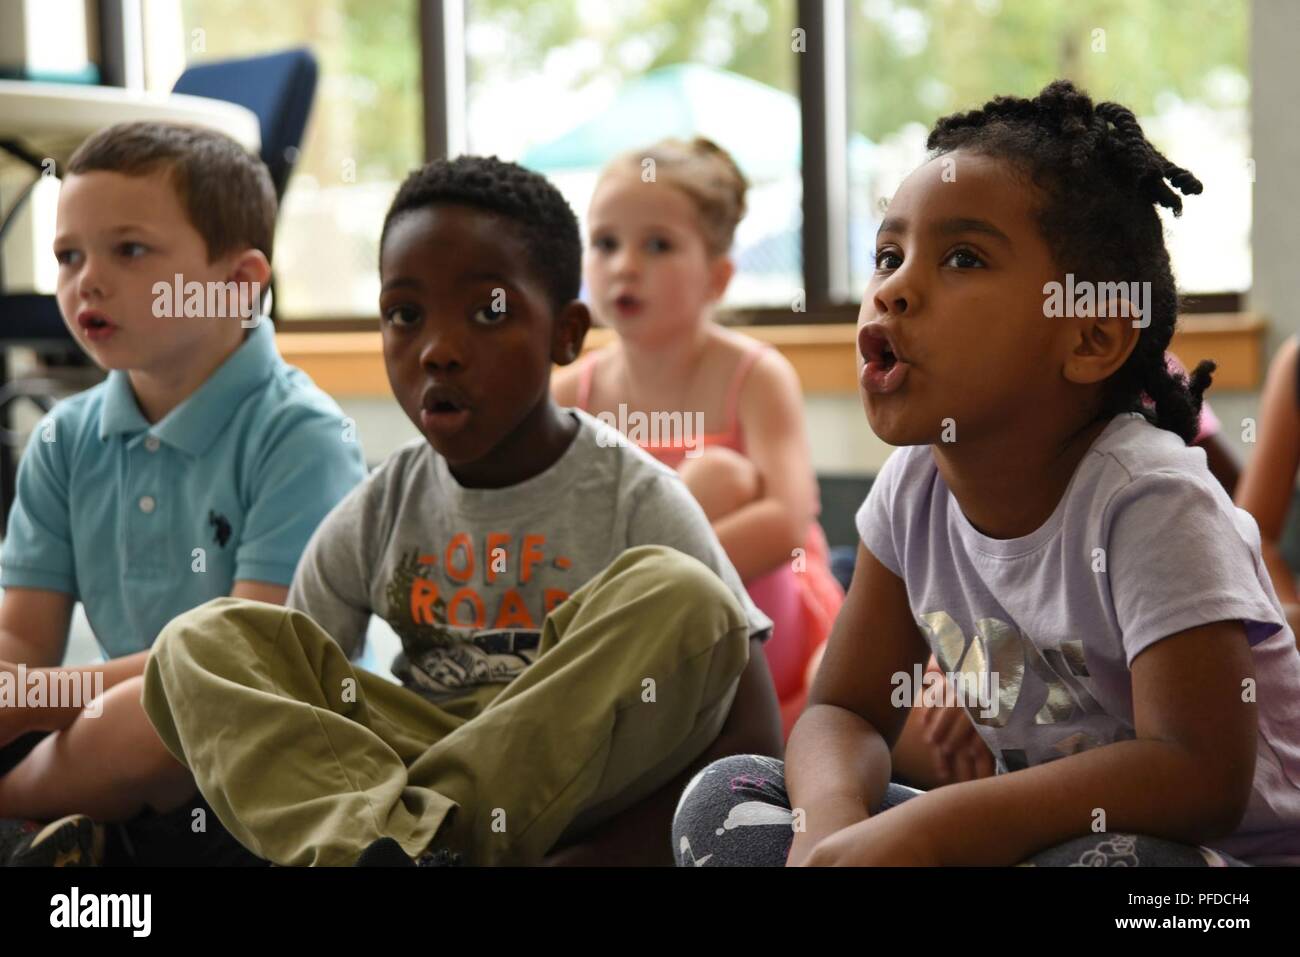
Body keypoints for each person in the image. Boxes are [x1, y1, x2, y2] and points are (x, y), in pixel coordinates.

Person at [672, 81, 1300, 867]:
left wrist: (935, 828)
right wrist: (828, 827)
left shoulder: (1149, 499)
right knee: (727, 800)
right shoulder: (911, 487)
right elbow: (843, 707)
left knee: (1125, 862)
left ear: (1091, 336)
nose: (893, 288)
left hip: (1215, 871)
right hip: (1031, 845)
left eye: (962, 257)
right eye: (887, 256)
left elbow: (1198, 771)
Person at [140, 155, 783, 867]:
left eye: (488, 312)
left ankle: (401, 844)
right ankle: (406, 847)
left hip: (575, 792)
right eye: (405, 315)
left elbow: (753, 734)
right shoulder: (381, 507)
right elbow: (300, 690)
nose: (438, 350)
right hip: (423, 752)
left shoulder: (633, 495)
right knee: (201, 642)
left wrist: (607, 855)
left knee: (682, 594)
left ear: (566, 334)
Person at [0, 122, 367, 866]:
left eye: (129, 251)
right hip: (113, 732)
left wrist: (35, 697)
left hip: (277, 741)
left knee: (145, 715)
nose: (86, 282)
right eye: (68, 256)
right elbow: (22, 640)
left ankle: (22, 815)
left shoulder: (301, 435)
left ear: (238, 282)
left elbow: (245, 658)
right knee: (104, 716)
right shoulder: (64, 439)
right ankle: (71, 829)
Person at [555, 137, 843, 736]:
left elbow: (790, 523)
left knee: (718, 477)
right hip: (628, 635)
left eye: (657, 245)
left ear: (718, 277)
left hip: (760, 628)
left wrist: (654, 580)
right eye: (605, 243)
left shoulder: (755, 376)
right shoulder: (569, 394)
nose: (624, 265)